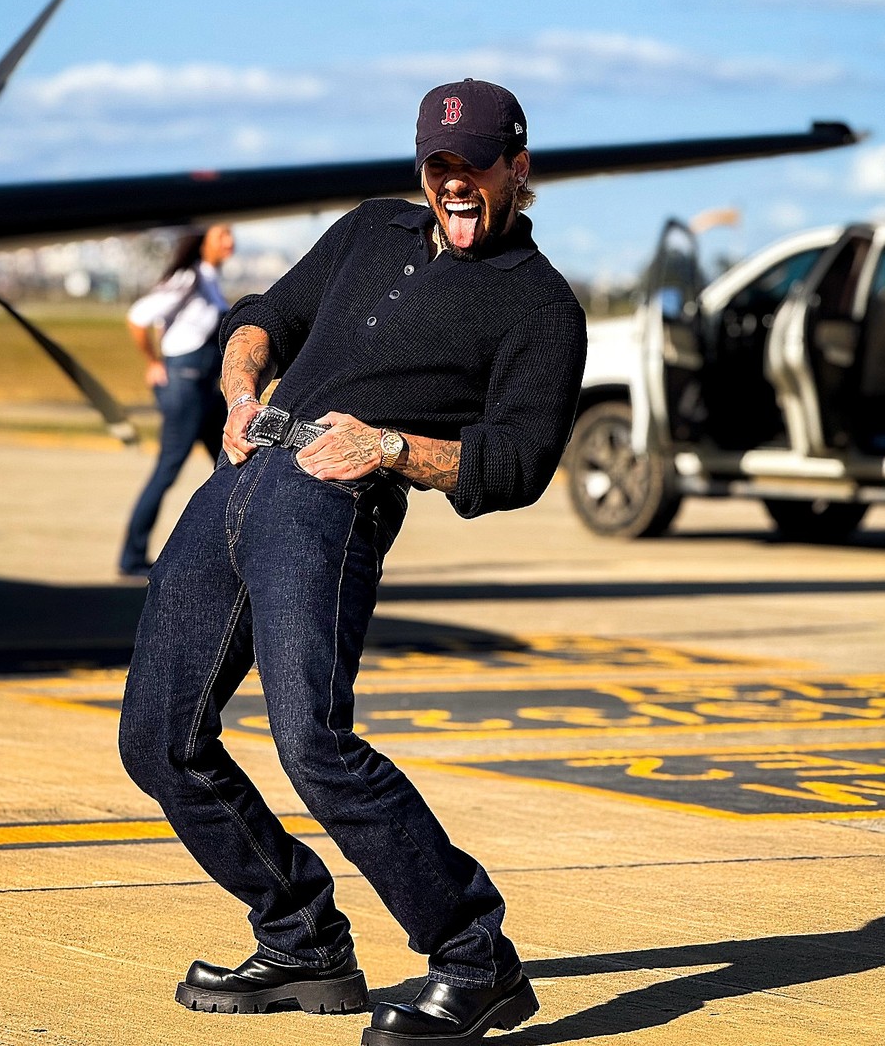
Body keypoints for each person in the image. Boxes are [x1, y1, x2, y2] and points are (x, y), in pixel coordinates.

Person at [118, 80, 588, 1045]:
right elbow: (265, 314)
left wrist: (389, 449)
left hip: (331, 507)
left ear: (518, 169)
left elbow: (518, 462)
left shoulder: (540, 307)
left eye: (475, 166)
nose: (454, 183)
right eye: (438, 165)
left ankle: (475, 958)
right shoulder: (371, 229)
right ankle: (302, 939)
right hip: (236, 481)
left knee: (315, 746)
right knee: (158, 742)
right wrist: (241, 390)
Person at [118, 223, 235, 577]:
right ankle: (132, 557)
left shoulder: (209, 278)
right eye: (222, 234)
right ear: (202, 240)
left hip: (206, 388)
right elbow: (138, 317)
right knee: (168, 470)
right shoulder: (188, 278)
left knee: (234, 464)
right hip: (184, 386)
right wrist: (154, 362)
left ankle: (237, 556)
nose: (230, 241)